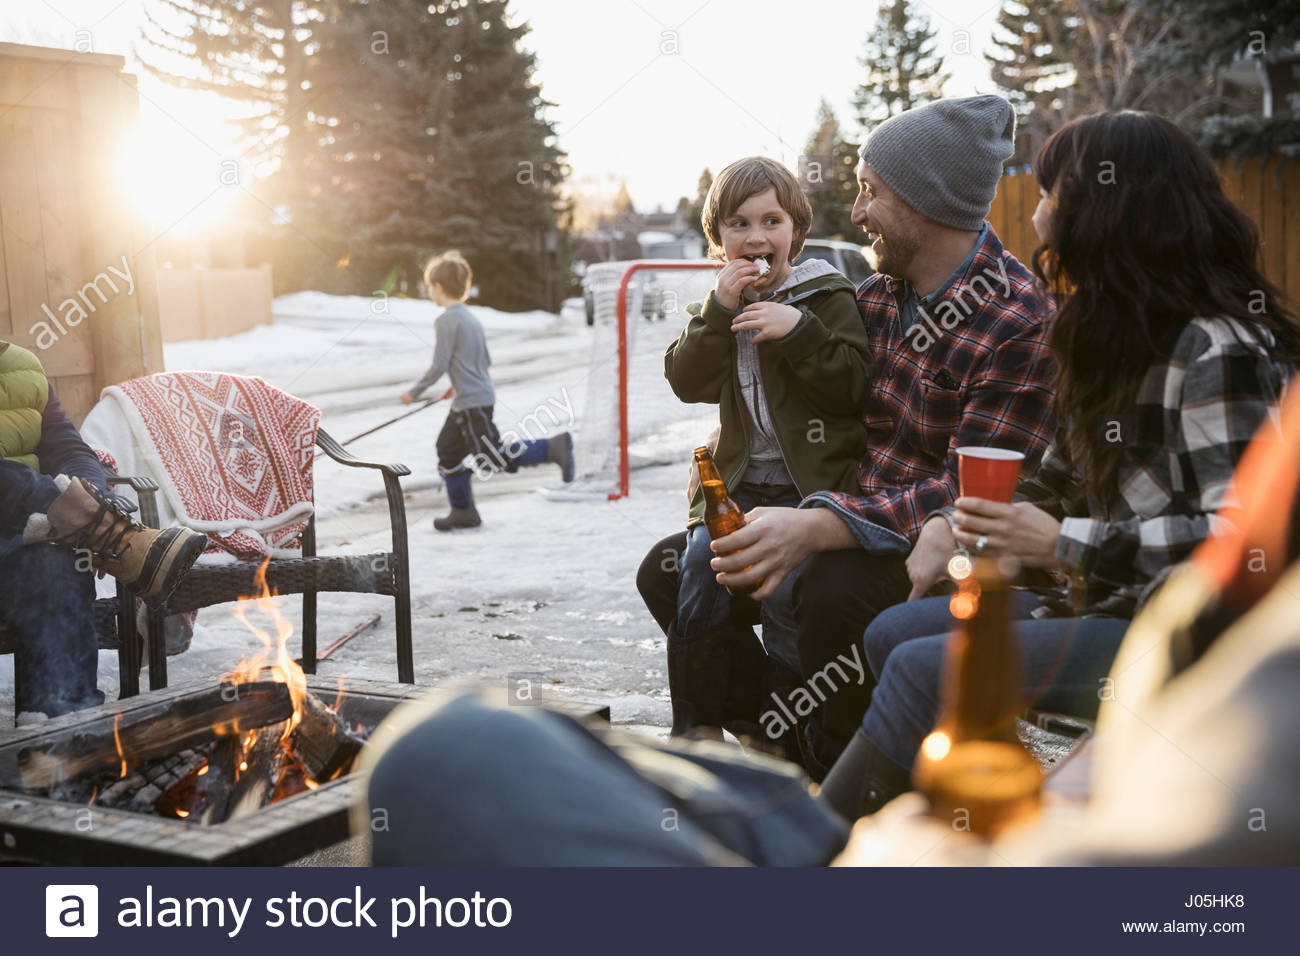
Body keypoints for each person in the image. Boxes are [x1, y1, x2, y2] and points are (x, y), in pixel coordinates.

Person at [818, 110, 1298, 820]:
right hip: (1103, 601)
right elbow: (1054, 479)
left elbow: (1251, 552)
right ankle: (965, 823)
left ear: (1109, 211)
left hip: (1187, 635)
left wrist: (1063, 544)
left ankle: (815, 856)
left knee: (926, 670)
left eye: (1049, 195)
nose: (1036, 218)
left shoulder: (1216, 350)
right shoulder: (1112, 336)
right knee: (893, 631)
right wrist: (954, 523)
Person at [640, 94, 1056, 779]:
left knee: (822, 590)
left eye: (870, 193)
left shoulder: (1012, 319)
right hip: (843, 501)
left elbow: (972, 489)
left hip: (938, 544)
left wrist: (822, 524)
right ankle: (778, 751)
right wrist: (728, 448)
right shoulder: (876, 296)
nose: (856, 213)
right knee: (673, 569)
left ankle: (846, 787)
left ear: (926, 204)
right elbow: (801, 400)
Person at [662, 156, 873, 740]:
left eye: (771, 221)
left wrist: (799, 332)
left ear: (795, 232)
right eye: (738, 224)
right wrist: (717, 315)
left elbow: (854, 388)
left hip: (811, 490)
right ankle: (698, 726)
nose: (756, 237)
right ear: (718, 240)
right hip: (741, 489)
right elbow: (686, 382)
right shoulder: (718, 308)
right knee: (700, 573)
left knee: (785, 604)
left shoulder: (827, 297)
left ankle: (787, 734)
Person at [0, 340, 207, 724]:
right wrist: (56, 501)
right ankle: (125, 543)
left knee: (58, 566)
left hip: (23, 536)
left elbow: (70, 449)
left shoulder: (23, 366)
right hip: (22, 515)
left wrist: (93, 494)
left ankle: (59, 731)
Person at [398, 251, 575, 531]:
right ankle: (462, 511)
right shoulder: (470, 317)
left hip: (472, 403)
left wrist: (415, 392)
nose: (430, 291)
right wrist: (456, 386)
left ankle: (552, 448)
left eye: (430, 286)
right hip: (470, 399)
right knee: (448, 450)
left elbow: (439, 364)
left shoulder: (445, 320)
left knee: (492, 457)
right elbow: (480, 361)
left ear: (439, 287)